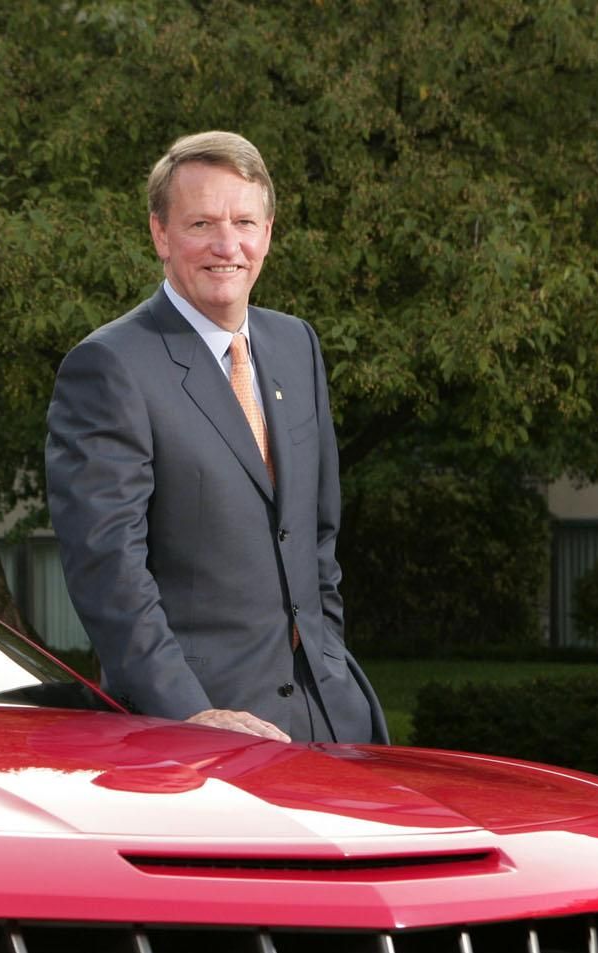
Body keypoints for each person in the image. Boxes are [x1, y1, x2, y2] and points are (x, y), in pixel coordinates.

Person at [46, 131, 386, 744]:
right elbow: (108, 570)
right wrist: (188, 714)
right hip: (202, 732)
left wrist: (329, 653)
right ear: (160, 234)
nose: (227, 245)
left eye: (244, 221)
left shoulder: (295, 345)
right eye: (202, 222)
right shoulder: (110, 366)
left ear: (268, 233)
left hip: (332, 717)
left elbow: (317, 536)